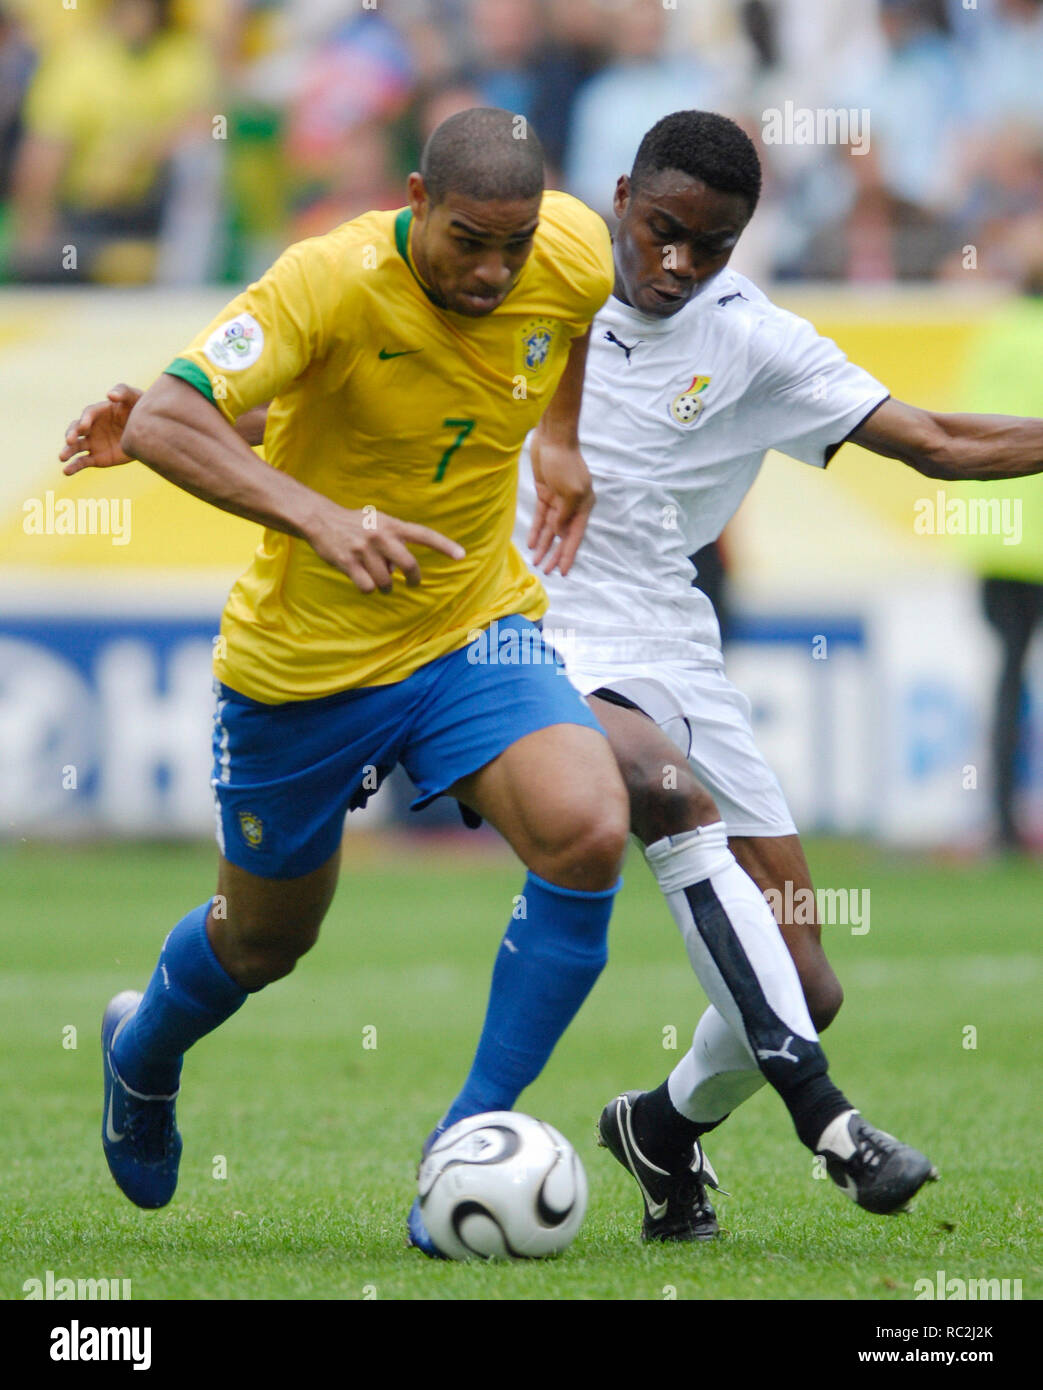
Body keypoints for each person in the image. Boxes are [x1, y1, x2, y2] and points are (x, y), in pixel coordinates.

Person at [65, 108, 638, 1242]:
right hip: (305, 667)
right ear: (415, 200)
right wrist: (319, 515)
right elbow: (175, 417)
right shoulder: (323, 279)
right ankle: (141, 1051)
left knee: (586, 828)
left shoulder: (567, 246)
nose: (491, 270)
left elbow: (567, 320)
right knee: (265, 942)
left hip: (472, 621)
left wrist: (558, 438)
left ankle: (458, 1149)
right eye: (466, 239)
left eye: (509, 247)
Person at [513, 109, 1043, 1241]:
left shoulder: (752, 340)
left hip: (673, 643)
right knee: (659, 789)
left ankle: (657, 1127)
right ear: (617, 195)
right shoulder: (530, 271)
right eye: (660, 230)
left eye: (709, 245)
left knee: (807, 983)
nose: (676, 263)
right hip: (535, 632)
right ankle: (828, 1120)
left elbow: (937, 442)